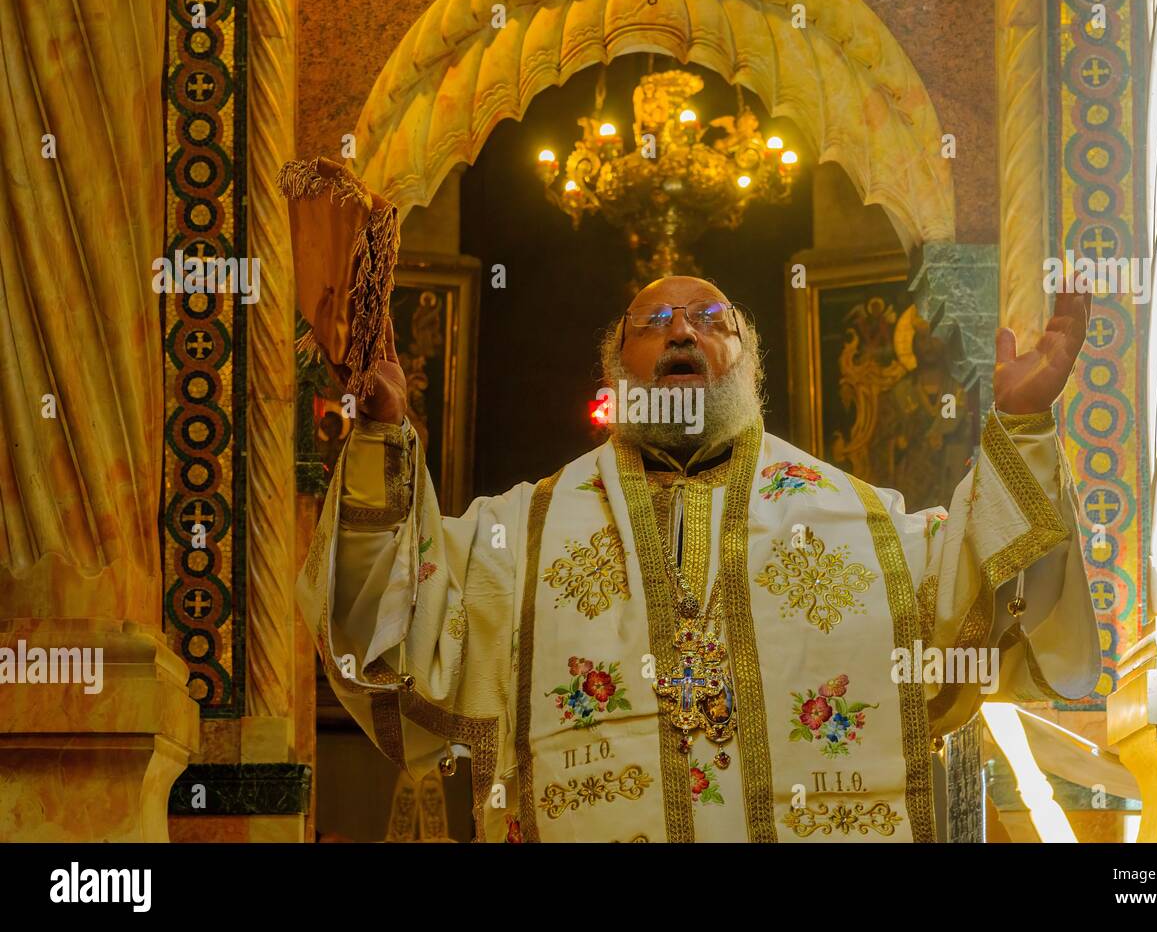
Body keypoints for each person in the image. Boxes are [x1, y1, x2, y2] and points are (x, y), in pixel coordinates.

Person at [296, 272, 1099, 843]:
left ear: (748, 361)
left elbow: (981, 604)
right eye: (653, 323)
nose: (681, 331)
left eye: (711, 317)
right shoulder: (523, 534)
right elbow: (390, 625)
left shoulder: (864, 525)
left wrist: (1021, 430)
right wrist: (380, 440)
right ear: (618, 371)